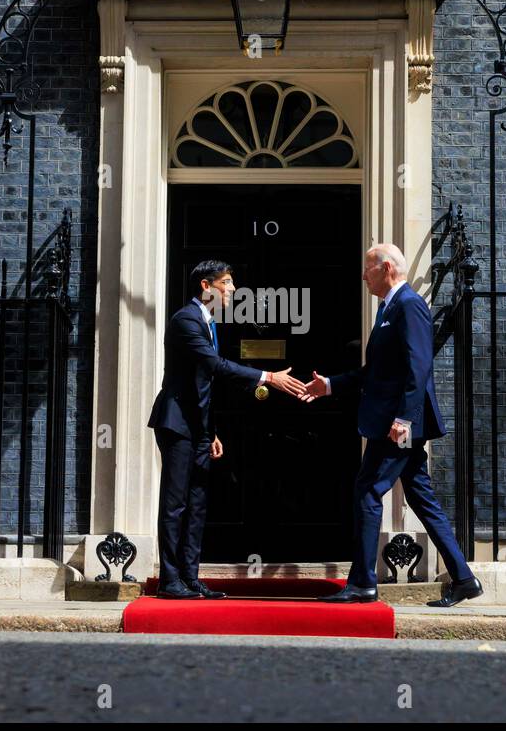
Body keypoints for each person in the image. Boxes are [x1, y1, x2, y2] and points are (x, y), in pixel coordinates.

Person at [299, 243, 484, 607]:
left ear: (385, 269)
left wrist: (403, 418)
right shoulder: (388, 308)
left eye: (367, 269)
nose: (363, 276)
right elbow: (377, 372)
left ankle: (364, 583)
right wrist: (331, 385)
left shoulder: (409, 305)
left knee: (367, 491)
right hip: (394, 421)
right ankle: (464, 578)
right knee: (421, 497)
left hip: (397, 425)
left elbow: (419, 366)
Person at [147, 260, 307, 599]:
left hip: (199, 427)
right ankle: (170, 581)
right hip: (177, 424)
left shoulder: (207, 321)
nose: (233, 290)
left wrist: (212, 429)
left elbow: (203, 385)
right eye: (227, 283)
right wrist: (267, 377)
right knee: (176, 504)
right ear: (207, 287)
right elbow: (214, 367)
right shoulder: (186, 320)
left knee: (198, 503)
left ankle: (190, 578)